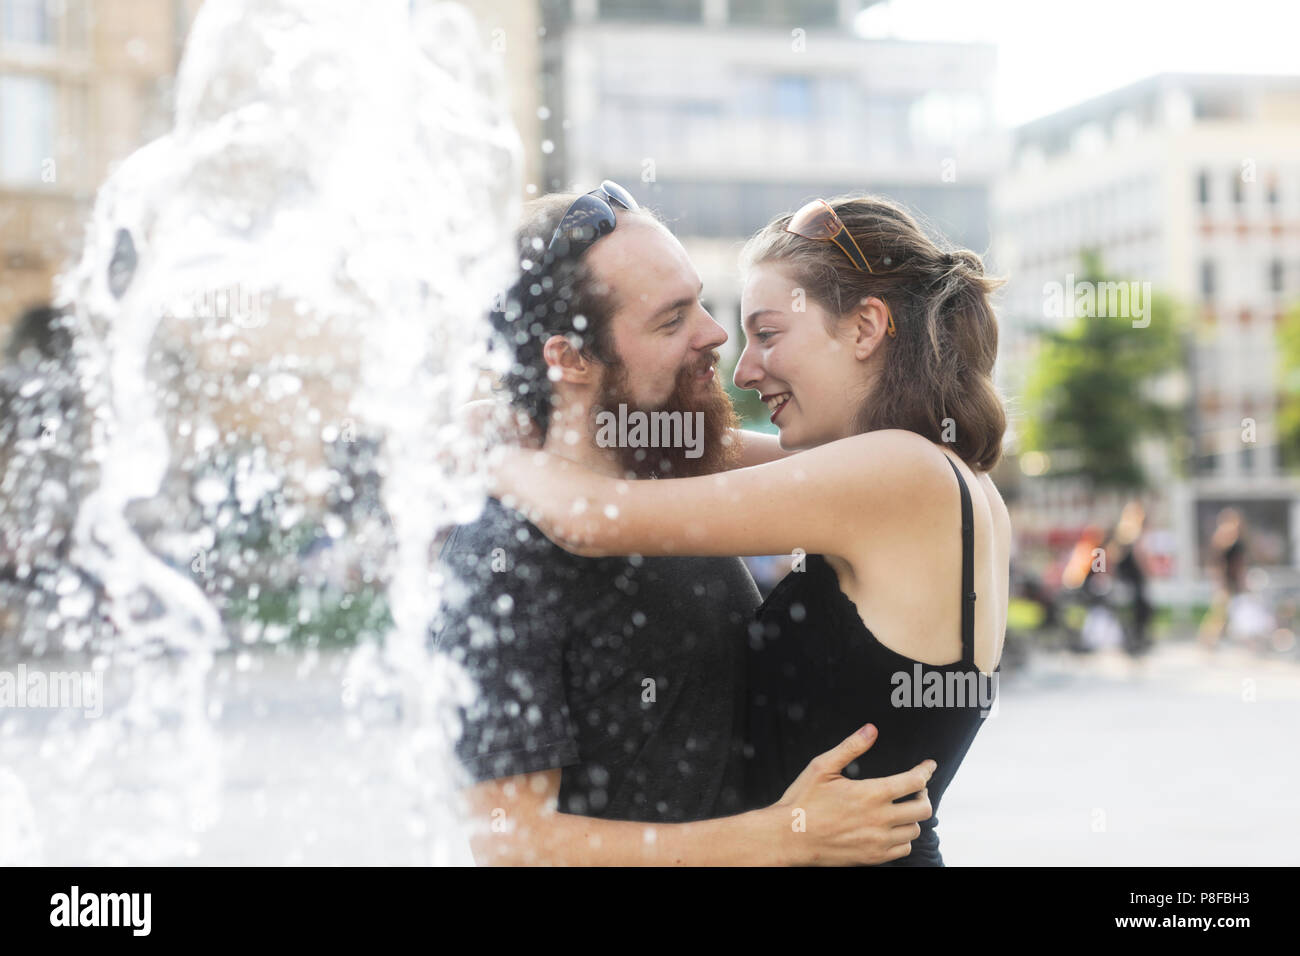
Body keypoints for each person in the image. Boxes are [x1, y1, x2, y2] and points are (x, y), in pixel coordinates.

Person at [491, 194, 1011, 866]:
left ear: (864, 328)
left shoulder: (898, 474)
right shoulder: (943, 477)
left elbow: (591, 519)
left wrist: (490, 450)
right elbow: (701, 448)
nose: (743, 370)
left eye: (768, 335)